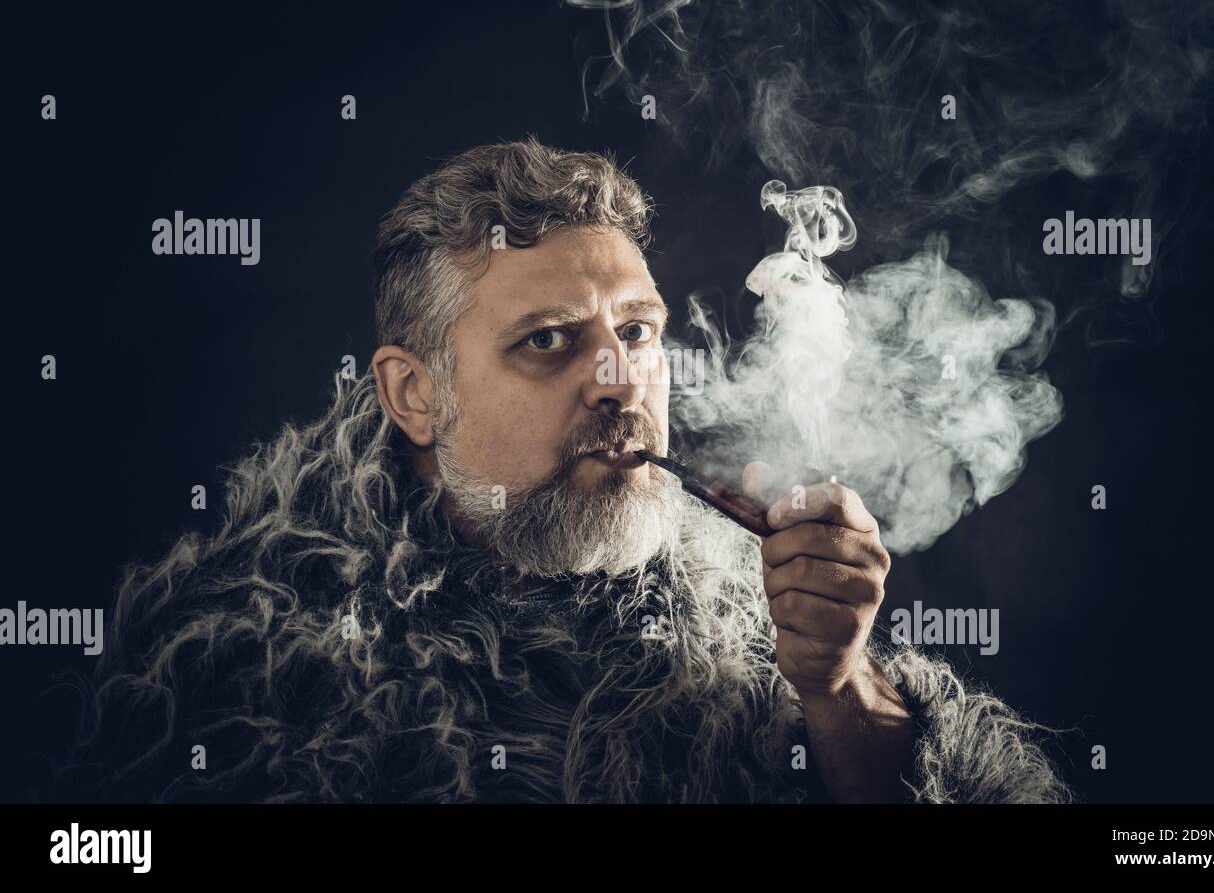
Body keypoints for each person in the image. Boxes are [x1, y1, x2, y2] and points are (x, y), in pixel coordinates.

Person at [47, 137, 1074, 804]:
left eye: (637, 329)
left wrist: (840, 684)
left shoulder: (755, 620)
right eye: (548, 341)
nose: (620, 382)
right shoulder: (240, 673)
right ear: (415, 394)